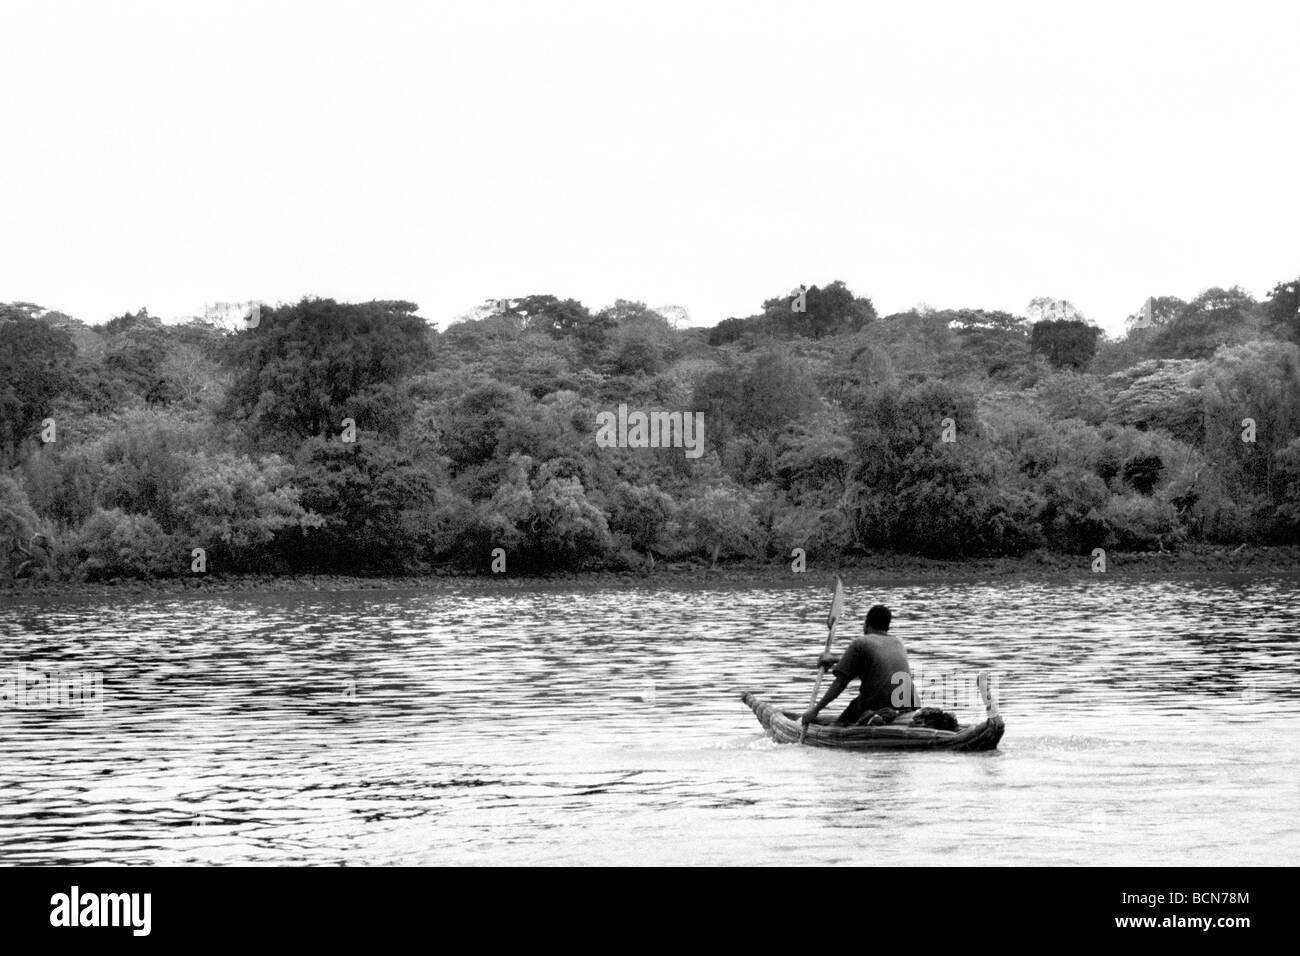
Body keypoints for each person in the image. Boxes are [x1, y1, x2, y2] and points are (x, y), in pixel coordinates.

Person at [801, 604, 914, 727]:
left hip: (877, 705)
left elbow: (840, 683)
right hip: (908, 705)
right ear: (887, 626)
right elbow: (871, 666)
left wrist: (815, 710)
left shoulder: (860, 642)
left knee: (840, 724)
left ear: (867, 624)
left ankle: (847, 728)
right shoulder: (898, 643)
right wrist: (836, 660)